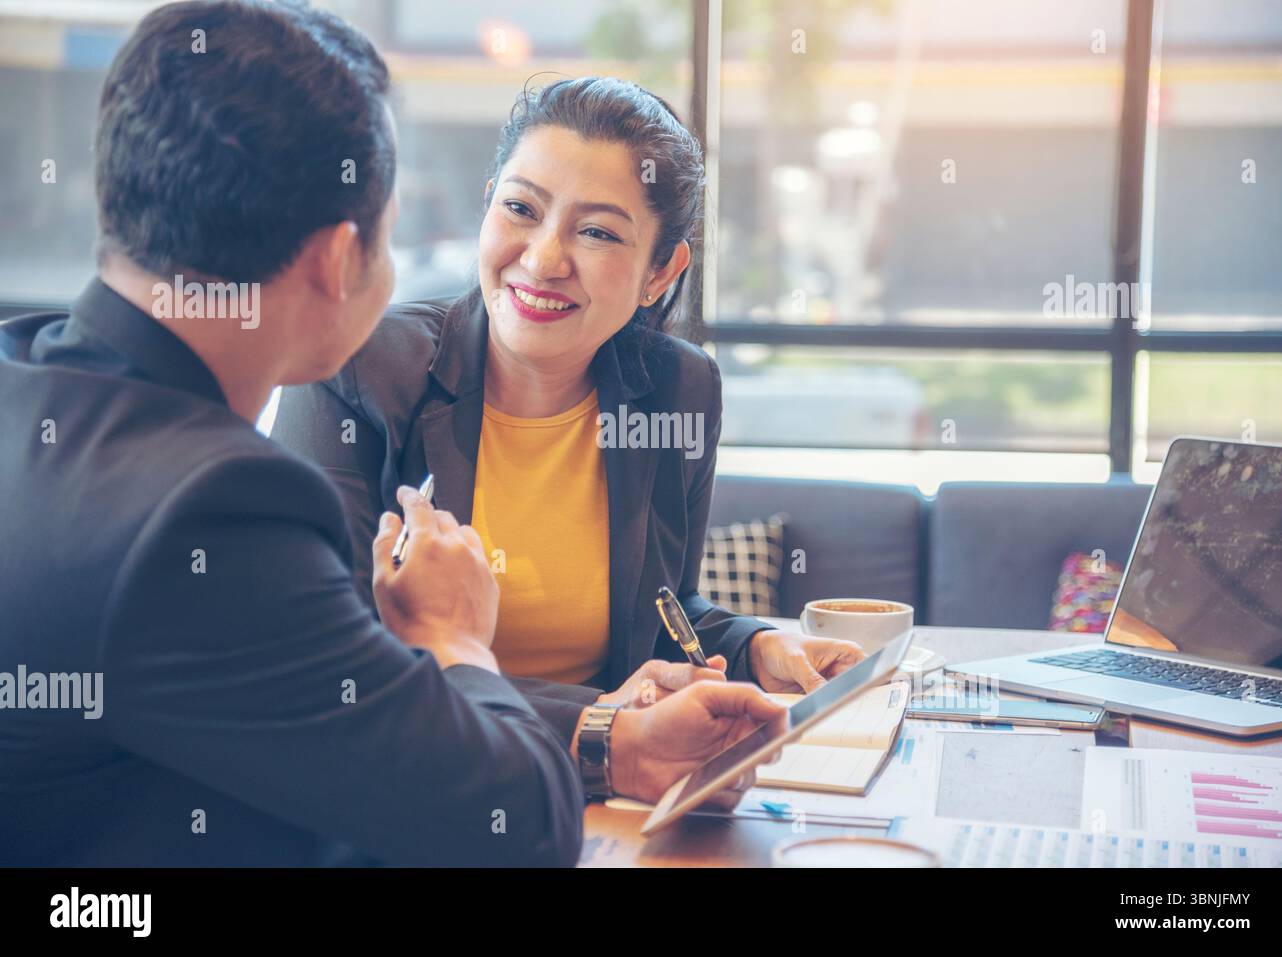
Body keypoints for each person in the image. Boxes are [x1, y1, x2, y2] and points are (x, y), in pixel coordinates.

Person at [0, 0, 782, 867]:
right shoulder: (212, 509)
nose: (543, 255)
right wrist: (454, 637)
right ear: (342, 259)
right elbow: (514, 822)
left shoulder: (23, 390)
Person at [273, 76, 866, 748]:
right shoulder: (357, 370)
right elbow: (330, 664)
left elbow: (664, 609)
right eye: (521, 208)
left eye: (596, 232)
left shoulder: (679, 388)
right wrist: (600, 727)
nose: (543, 258)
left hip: (621, 791)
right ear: (486, 206)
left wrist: (760, 645)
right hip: (419, 783)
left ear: (661, 273)